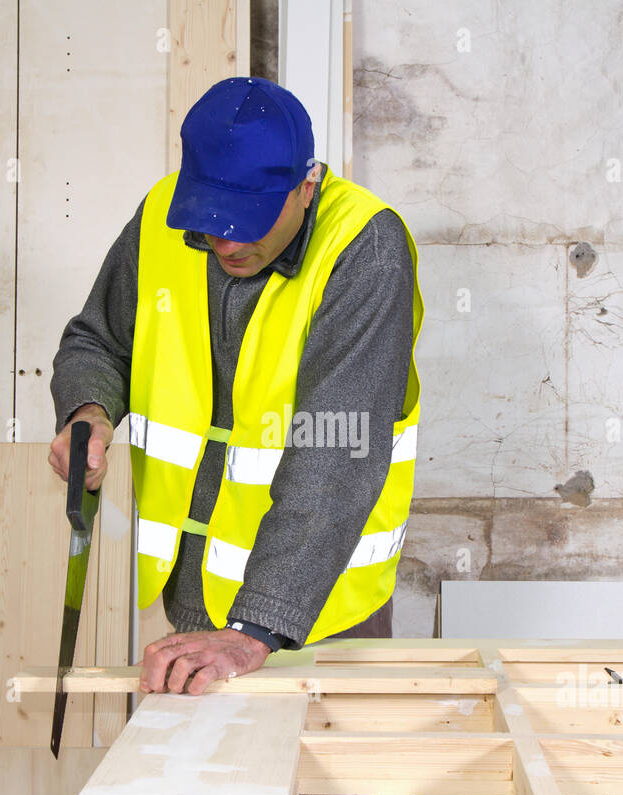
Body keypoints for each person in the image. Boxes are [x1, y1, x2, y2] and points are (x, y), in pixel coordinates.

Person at [48, 77, 424, 695]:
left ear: (306, 186)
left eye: (245, 219)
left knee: (315, 789)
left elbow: (337, 452)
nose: (224, 241)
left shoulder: (365, 249)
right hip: (193, 610)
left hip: (313, 615)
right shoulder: (161, 217)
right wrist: (87, 411)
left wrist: (258, 627)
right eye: (208, 220)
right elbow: (99, 339)